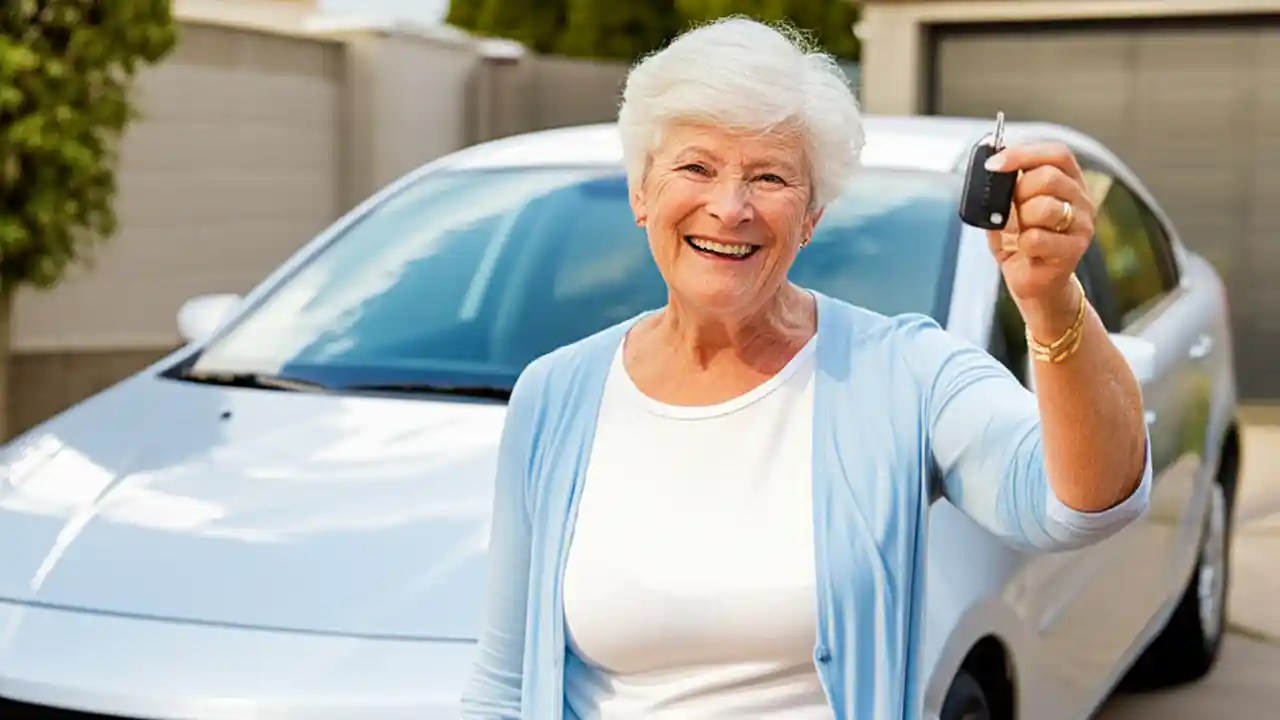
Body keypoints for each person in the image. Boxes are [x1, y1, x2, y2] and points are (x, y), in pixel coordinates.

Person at [459, 16, 1152, 720]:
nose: (730, 208)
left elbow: (1080, 507)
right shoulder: (555, 396)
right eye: (696, 167)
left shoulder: (904, 374)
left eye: (769, 177)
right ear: (642, 193)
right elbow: (503, 685)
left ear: (812, 216)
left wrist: (1052, 301)